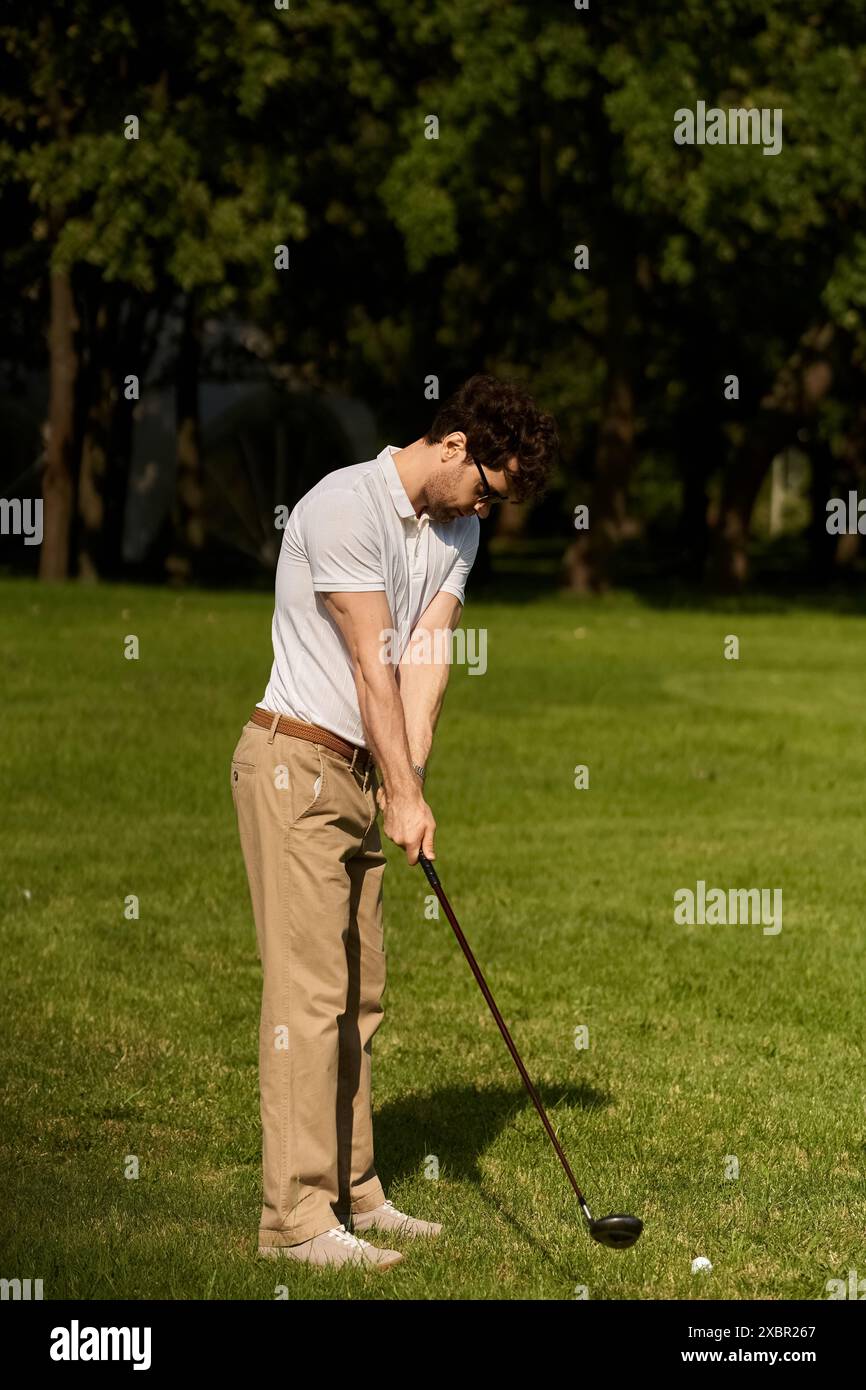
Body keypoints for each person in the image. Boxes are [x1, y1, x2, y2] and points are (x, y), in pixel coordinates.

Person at [230, 373, 558, 1270]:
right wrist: (403, 794)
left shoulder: (455, 530)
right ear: (455, 446)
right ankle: (294, 1220)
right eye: (489, 489)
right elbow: (372, 664)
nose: (488, 512)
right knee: (308, 995)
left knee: (361, 991)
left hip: (362, 769)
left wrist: (406, 780)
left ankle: (353, 1191)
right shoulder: (345, 504)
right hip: (295, 763)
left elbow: (426, 660)